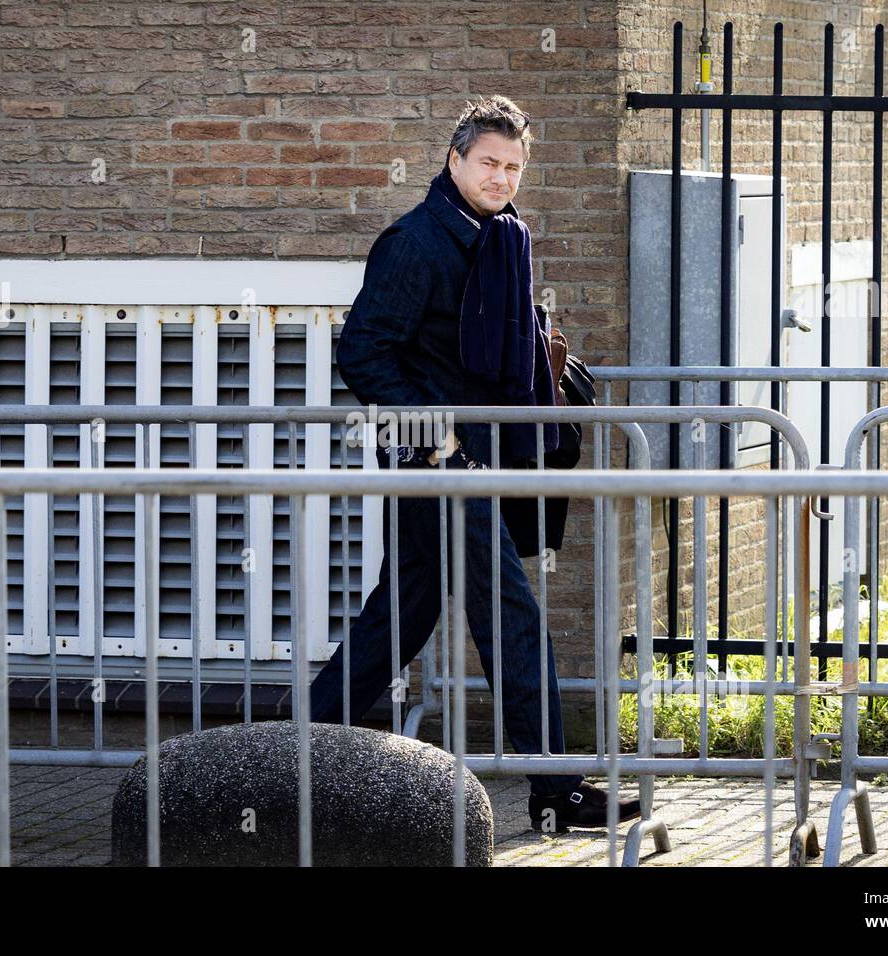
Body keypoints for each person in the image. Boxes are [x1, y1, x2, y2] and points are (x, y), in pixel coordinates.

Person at [309, 94, 638, 831]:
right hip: (442, 464)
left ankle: (286, 746)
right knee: (512, 615)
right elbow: (364, 350)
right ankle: (556, 788)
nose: (502, 177)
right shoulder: (417, 241)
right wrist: (436, 436)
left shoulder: (498, 236)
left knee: (399, 617)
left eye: (514, 166)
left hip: (476, 459)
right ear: (454, 159)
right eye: (489, 162)